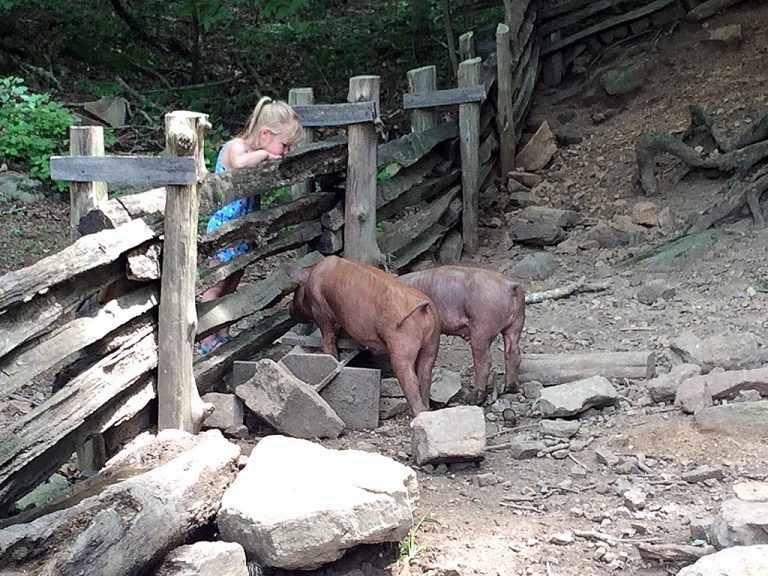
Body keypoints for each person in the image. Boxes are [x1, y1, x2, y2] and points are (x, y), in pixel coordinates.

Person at [197, 96, 304, 354]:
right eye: (284, 145)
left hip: (242, 231)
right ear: (265, 134)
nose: (285, 152)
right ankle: (204, 335)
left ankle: (221, 330)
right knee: (216, 284)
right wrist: (266, 154)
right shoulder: (237, 147)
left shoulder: (257, 151)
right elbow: (239, 165)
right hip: (224, 231)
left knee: (233, 282)